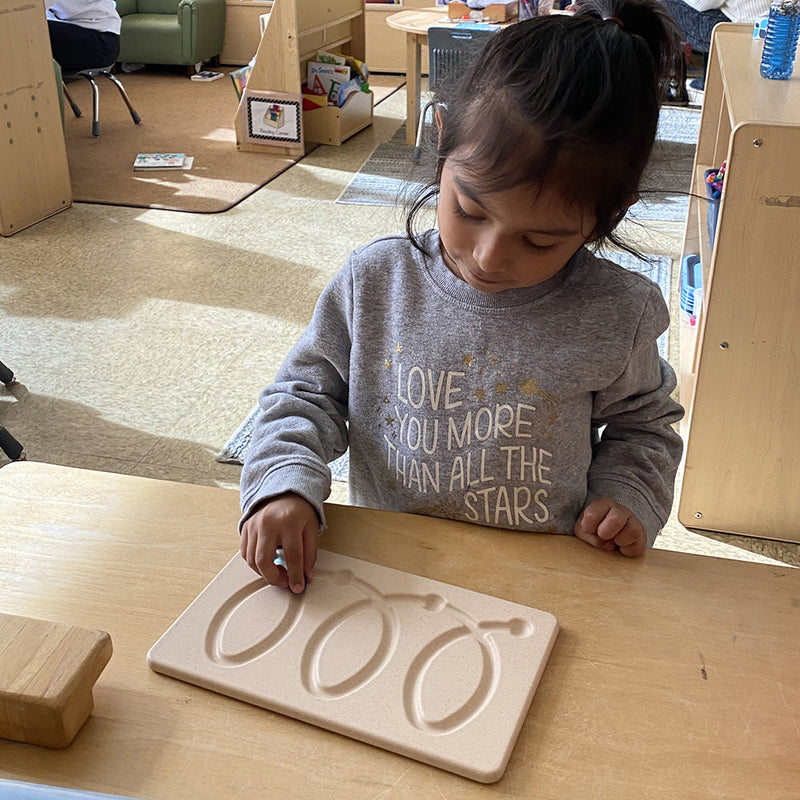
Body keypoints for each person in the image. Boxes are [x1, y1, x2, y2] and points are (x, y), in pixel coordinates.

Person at [240, 0, 686, 593]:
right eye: (470, 211)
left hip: (540, 580)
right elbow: (305, 393)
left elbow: (645, 428)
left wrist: (626, 495)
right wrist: (284, 480)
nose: (489, 257)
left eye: (541, 239)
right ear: (441, 139)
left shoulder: (617, 313)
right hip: (387, 570)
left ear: (605, 220)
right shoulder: (376, 281)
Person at [661, 0, 771, 89]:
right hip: (772, 29)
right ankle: (710, 80)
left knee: (662, 3)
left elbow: (701, 3)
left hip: (744, 31)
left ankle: (673, 86)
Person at [47, 0, 121, 72]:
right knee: (39, 30)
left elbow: (38, 7)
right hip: (72, 31)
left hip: (101, 40)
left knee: (40, 31)